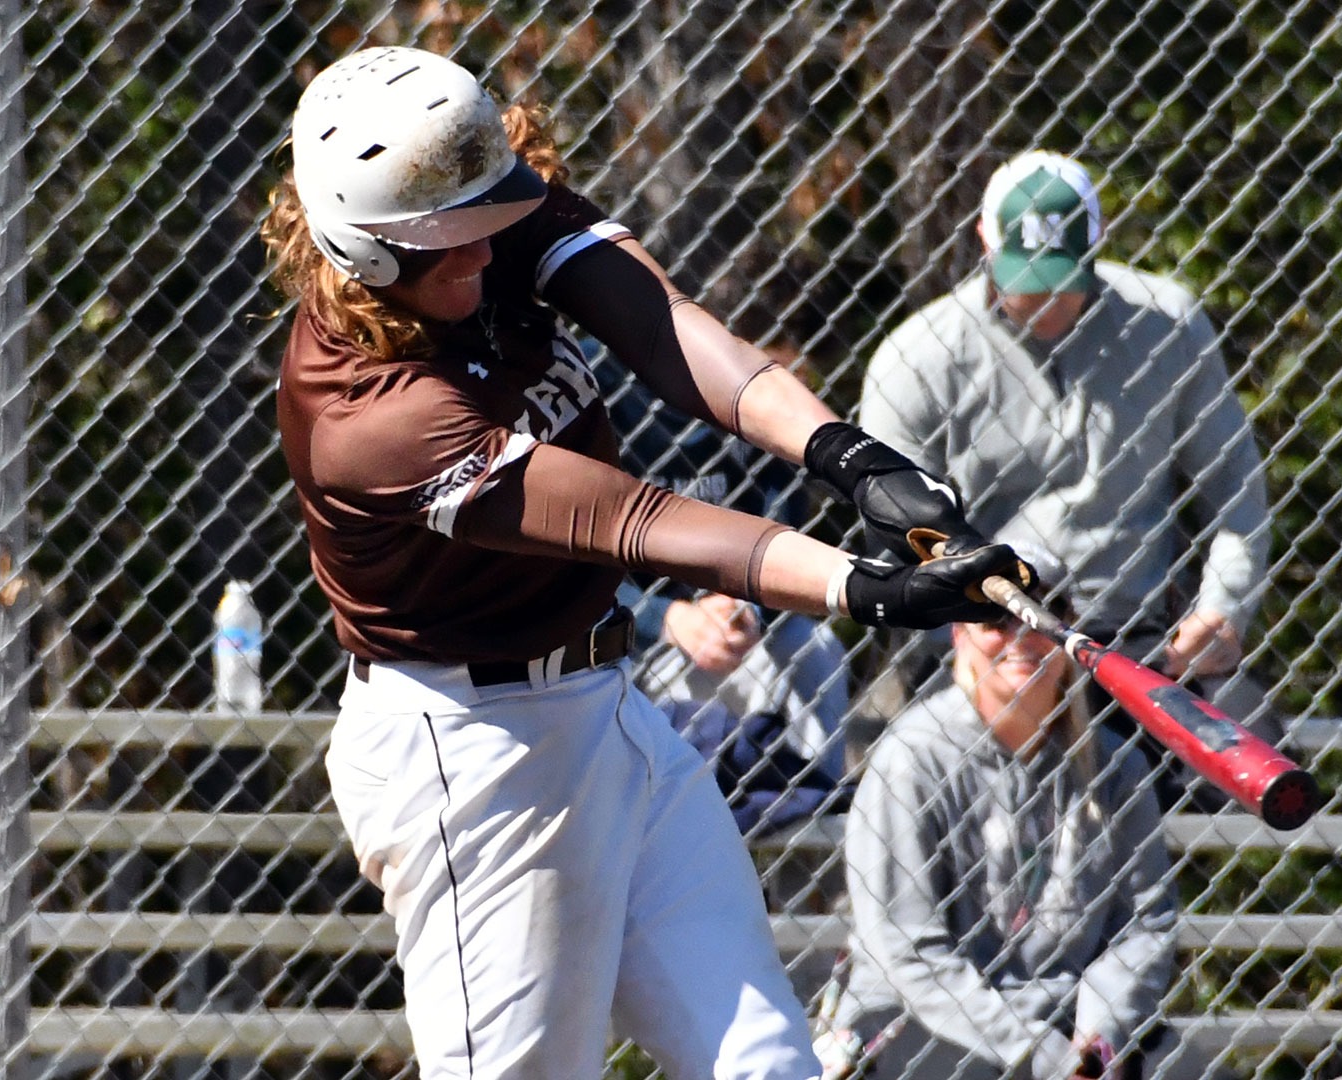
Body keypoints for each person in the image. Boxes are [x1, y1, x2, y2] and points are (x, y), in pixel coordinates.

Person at [262, 46, 1030, 1079]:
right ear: (367, 253)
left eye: (491, 226)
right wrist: (857, 584)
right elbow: (635, 521)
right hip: (471, 755)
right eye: (448, 248)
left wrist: (849, 456)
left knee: (768, 1061)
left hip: (608, 709)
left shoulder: (473, 208)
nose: (482, 257)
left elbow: (662, 327)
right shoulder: (368, 419)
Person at [856, 149, 1273, 800]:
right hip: (983, 646)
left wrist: (1224, 606)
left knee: (1236, 785)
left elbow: (1236, 491)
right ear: (983, 243)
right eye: (1027, 278)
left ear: (1098, 247)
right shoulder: (918, 358)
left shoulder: (1167, 326)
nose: (1047, 299)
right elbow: (890, 532)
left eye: (1063, 277)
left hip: (1136, 646)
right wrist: (976, 628)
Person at [816, 597, 1176, 1080]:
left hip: (1070, 1026)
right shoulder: (912, 758)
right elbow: (908, 952)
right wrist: (1045, 1058)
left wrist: (1093, 1046)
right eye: (995, 621)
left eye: (1042, 619)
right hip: (928, 1027)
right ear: (958, 635)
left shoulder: (1115, 767)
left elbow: (1144, 927)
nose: (1022, 636)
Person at [586, 340, 852, 831]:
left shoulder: (734, 377)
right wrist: (663, 617)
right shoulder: (591, 376)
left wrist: (748, 609)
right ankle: (678, 830)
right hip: (630, 636)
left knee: (814, 647)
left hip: (737, 615)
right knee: (683, 685)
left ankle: (805, 823)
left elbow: (783, 524)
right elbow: (573, 553)